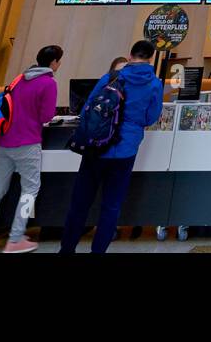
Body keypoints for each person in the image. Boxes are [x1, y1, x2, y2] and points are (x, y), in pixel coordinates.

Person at [59, 40, 164, 254]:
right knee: (111, 205)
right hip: (126, 149)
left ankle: (66, 249)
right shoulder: (154, 84)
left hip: (97, 147)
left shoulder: (112, 77)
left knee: (80, 202)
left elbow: (89, 105)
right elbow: (151, 117)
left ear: (130, 54)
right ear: (151, 58)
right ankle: (98, 251)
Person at [0, 45, 62, 253]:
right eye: (58, 61)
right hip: (28, 143)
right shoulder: (48, 83)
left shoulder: (19, 79)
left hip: (4, 142)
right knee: (30, 189)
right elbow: (46, 117)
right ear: (53, 63)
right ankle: (15, 239)